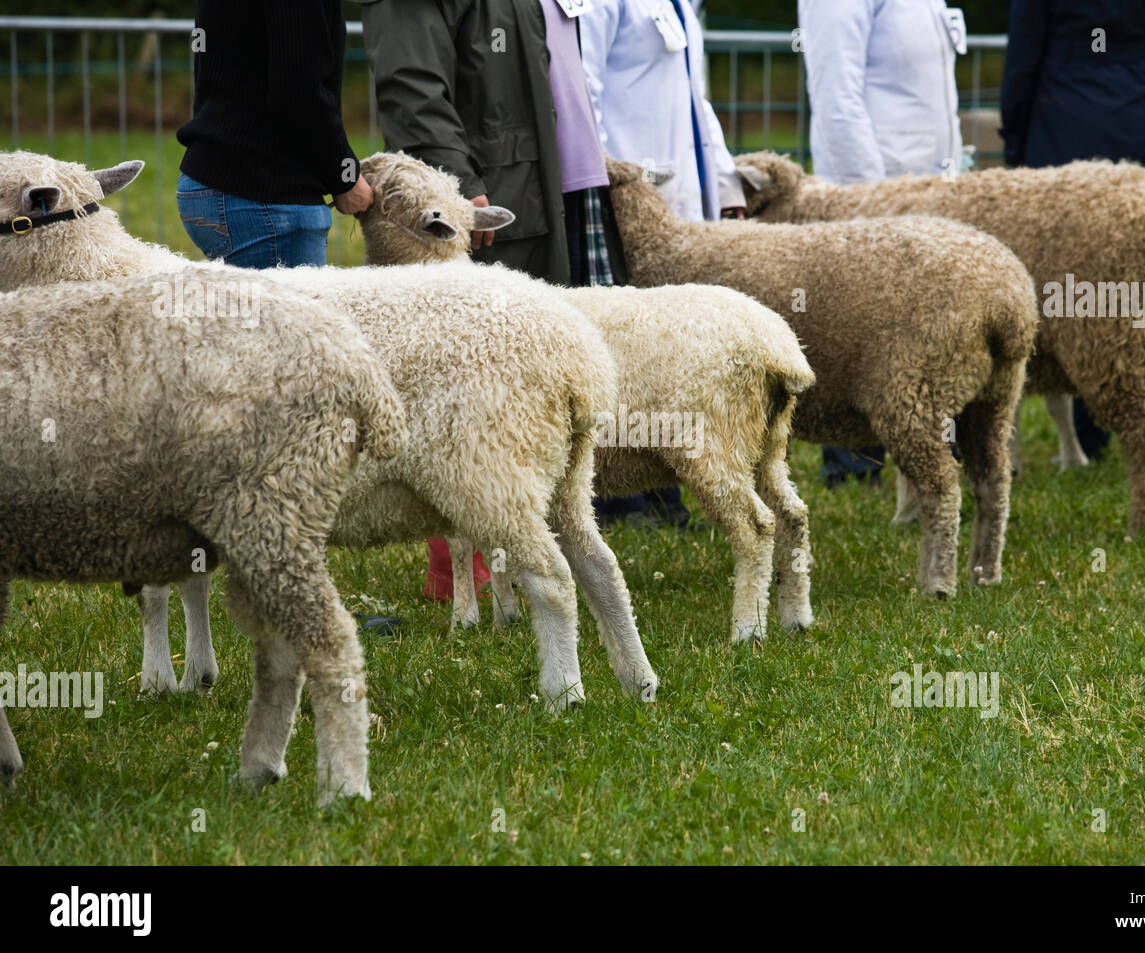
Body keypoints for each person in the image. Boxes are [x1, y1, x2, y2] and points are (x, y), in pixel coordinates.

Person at [361, 0, 630, 598]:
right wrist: (460, 185)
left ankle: (528, 545)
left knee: (529, 386)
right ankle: (458, 572)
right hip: (485, 203)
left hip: (551, 187)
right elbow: (410, 82)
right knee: (461, 386)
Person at [1000, 0, 1145, 459]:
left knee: (1076, 286)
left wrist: (1018, 140)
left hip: (1063, 131)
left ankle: (1090, 433)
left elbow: (1023, 57)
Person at [581, 0, 746, 526]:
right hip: (629, 201)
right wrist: (613, 178)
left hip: (677, 206)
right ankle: (615, 495)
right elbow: (585, 91)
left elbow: (695, 95)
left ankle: (661, 490)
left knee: (665, 353)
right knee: (621, 347)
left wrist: (724, 180)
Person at [799, 0, 966, 489]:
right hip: (877, 191)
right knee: (858, 329)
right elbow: (836, 95)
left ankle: (927, 455)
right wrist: (866, 200)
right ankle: (853, 466)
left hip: (925, 187)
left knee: (920, 332)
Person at [176, 0, 373, 268]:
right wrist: (344, 176)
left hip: (229, 177)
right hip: (263, 192)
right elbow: (299, 91)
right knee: (290, 311)